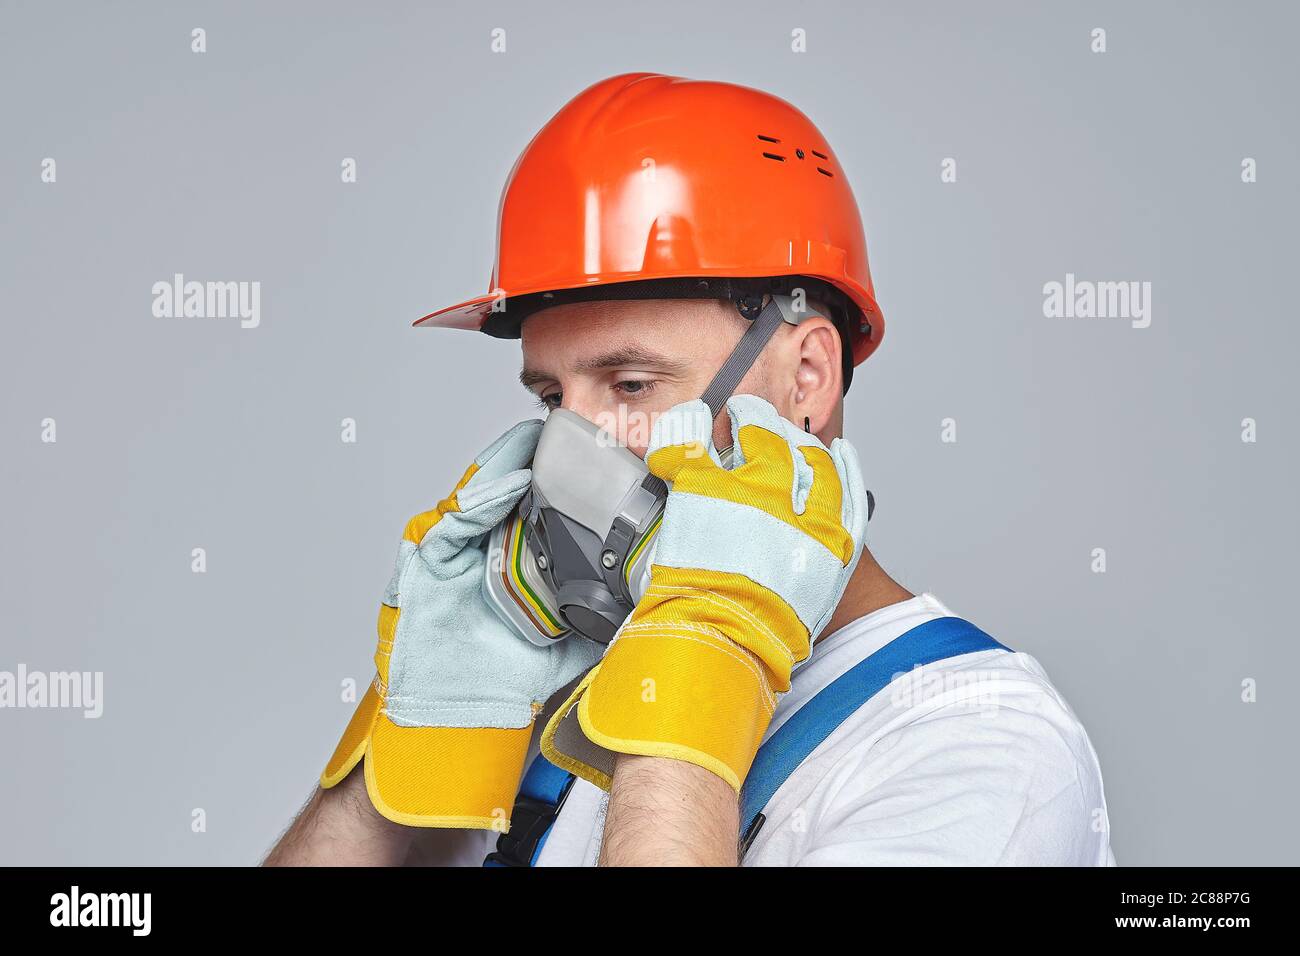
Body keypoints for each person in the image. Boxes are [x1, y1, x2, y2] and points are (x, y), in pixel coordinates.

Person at [265, 73, 1113, 867]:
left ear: (807, 379)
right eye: (551, 398)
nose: (569, 450)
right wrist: (416, 720)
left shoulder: (981, 748)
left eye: (631, 383)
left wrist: (698, 661)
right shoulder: (552, 684)